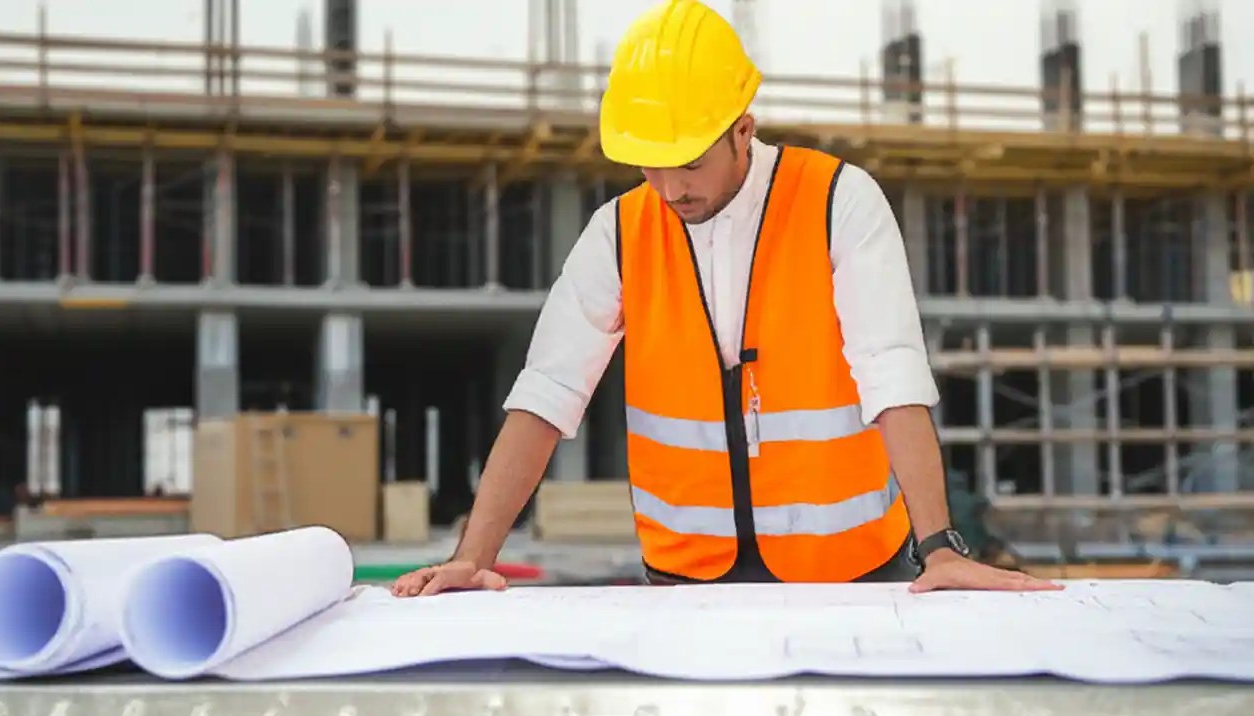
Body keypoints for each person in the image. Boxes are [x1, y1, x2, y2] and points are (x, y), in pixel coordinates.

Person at [392, 0, 1060, 598]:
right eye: (649, 164)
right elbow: (547, 392)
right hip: (684, 583)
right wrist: (473, 557)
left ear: (743, 130)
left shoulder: (836, 201)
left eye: (687, 162)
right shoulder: (621, 234)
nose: (668, 187)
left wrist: (939, 548)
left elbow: (891, 371)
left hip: (850, 576)